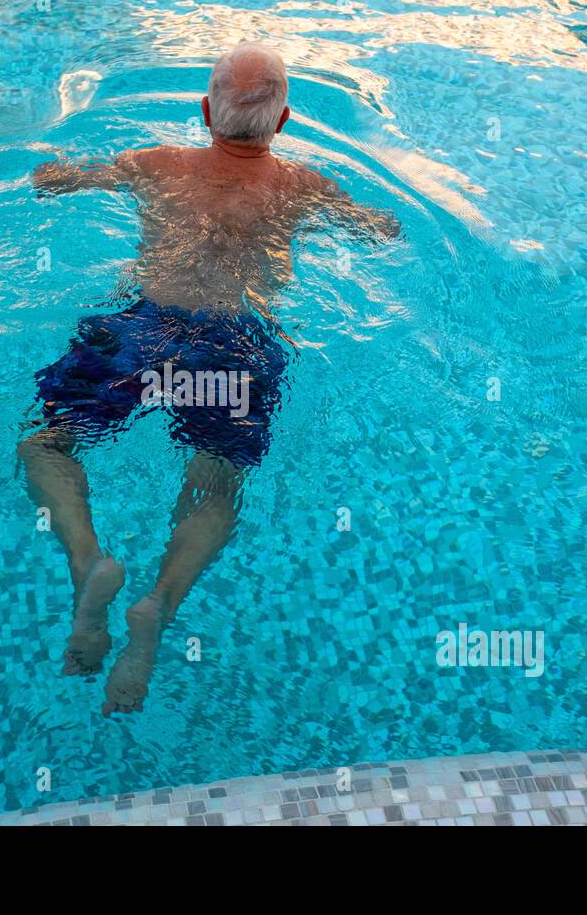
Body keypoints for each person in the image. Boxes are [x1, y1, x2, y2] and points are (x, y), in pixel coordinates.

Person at [21, 41, 400, 714]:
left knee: (44, 444)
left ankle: (87, 562)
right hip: (236, 345)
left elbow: (55, 180)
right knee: (214, 482)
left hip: (144, 330)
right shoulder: (304, 187)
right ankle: (158, 607)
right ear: (283, 124)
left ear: (203, 112)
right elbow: (382, 232)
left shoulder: (156, 164)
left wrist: (52, 169)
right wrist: (375, 219)